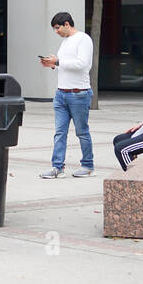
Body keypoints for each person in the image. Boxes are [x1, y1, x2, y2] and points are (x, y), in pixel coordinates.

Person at [39, 11, 95, 178]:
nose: (56, 31)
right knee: (59, 132)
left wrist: (57, 61)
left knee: (82, 132)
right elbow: (65, 65)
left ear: (67, 24)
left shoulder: (83, 39)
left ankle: (87, 165)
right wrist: (53, 64)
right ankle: (57, 167)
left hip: (79, 93)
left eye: (57, 28)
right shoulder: (64, 42)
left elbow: (82, 64)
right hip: (61, 93)